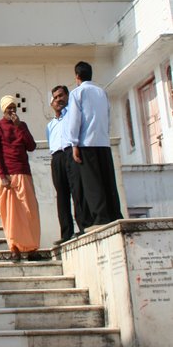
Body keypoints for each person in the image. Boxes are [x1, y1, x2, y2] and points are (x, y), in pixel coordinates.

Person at [66, 61, 123, 227]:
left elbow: (75, 120)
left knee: (92, 182)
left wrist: (74, 143)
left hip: (86, 142)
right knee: (108, 179)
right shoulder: (101, 92)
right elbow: (107, 115)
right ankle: (114, 213)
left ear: (77, 76)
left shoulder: (77, 93)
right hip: (103, 142)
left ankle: (101, 217)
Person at [0, 95, 41, 262]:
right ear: (3, 109)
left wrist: (20, 127)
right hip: (8, 176)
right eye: (8, 108)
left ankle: (32, 248)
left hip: (23, 173)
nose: (11, 110)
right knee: (11, 215)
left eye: (13, 107)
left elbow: (31, 146)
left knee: (30, 211)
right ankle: (15, 249)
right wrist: (2, 176)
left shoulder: (22, 126)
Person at [46, 84, 87, 243]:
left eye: (61, 96)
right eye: (55, 98)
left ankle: (83, 227)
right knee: (62, 195)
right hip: (57, 157)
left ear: (67, 96)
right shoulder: (50, 125)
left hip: (70, 153)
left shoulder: (71, 114)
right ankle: (66, 233)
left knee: (77, 190)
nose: (59, 100)